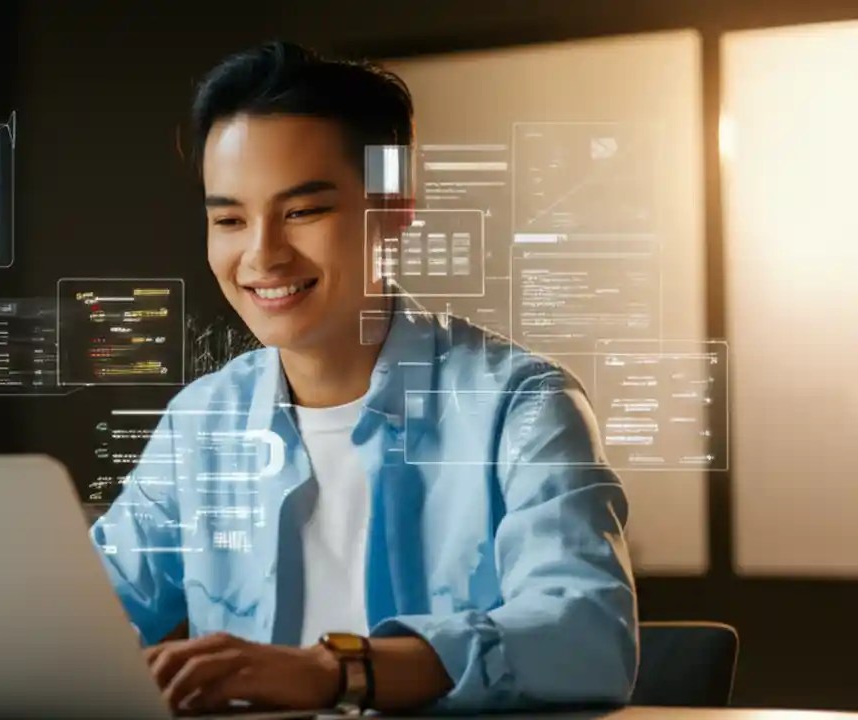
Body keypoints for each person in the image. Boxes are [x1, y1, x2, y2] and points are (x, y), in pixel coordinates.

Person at [90, 41, 637, 715]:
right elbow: (79, 621)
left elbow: (586, 635)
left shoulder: (520, 406)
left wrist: (334, 670)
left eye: (303, 212)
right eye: (229, 219)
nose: (262, 255)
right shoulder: (202, 420)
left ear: (396, 205)